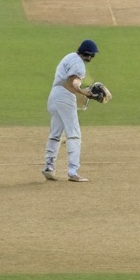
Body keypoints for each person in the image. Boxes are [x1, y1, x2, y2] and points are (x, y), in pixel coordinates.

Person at [43, 39, 107, 182]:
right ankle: (73, 171)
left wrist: (83, 91)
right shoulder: (79, 66)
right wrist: (87, 94)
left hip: (53, 96)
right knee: (74, 134)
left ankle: (48, 167)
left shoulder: (69, 57)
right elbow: (73, 83)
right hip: (65, 97)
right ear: (89, 55)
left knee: (55, 133)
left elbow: (68, 82)